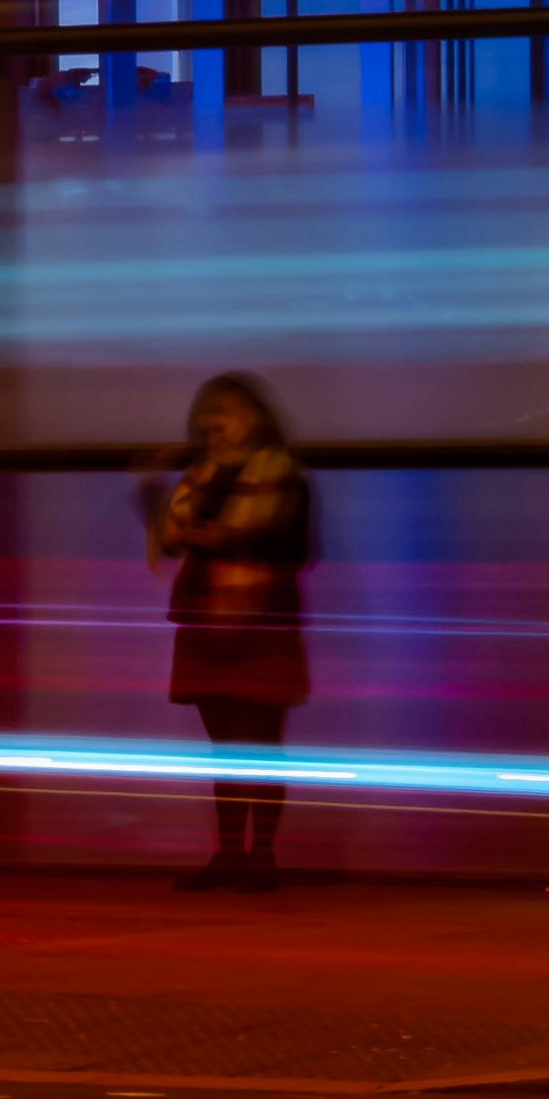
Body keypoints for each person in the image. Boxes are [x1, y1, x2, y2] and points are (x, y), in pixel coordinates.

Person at [147, 372, 315, 894]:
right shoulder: (201, 477)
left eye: (229, 412)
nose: (216, 423)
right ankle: (228, 854)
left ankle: (261, 855)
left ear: (255, 420)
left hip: (261, 621)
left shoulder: (285, 479)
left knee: (262, 743)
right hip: (205, 621)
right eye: (211, 413)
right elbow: (174, 543)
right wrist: (150, 492)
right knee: (224, 747)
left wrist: (235, 540)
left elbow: (299, 552)